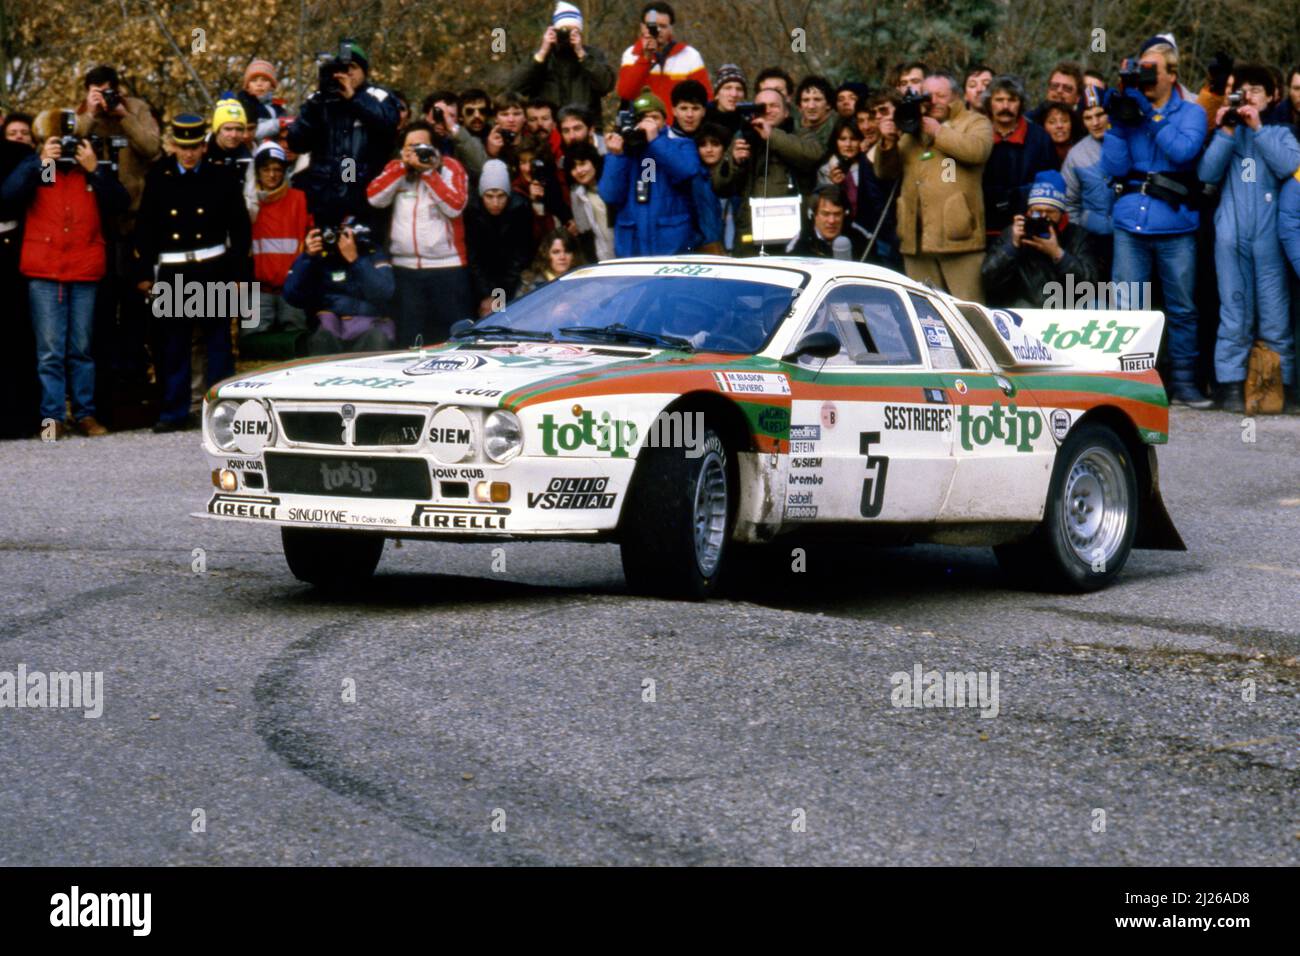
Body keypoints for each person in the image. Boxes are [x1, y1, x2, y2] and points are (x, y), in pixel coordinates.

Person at [2, 109, 129, 439]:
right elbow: (9, 196)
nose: (67, 149)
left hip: (84, 269)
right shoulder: (42, 171)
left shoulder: (89, 174)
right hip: (44, 271)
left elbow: (120, 203)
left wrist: (95, 169)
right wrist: (40, 161)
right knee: (49, 352)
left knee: (81, 349)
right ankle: (52, 418)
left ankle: (85, 414)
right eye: (61, 143)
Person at [1102, 39, 1209, 407]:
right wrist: (1117, 124)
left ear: (1172, 73)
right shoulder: (1130, 109)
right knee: (1128, 307)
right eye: (1139, 69)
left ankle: (1184, 384)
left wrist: (1150, 116)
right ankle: (1129, 385)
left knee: (1182, 307)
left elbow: (1183, 152)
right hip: (1131, 222)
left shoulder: (1191, 111)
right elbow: (1114, 168)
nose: (1144, 77)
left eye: (1152, 70)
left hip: (1175, 223)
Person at [133, 114, 250, 433]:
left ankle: (225, 414)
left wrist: (240, 275)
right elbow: (145, 227)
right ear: (173, 145)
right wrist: (144, 272)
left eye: (195, 146)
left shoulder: (221, 176)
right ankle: (174, 411)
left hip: (214, 266)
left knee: (218, 345)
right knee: (174, 345)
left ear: (203, 145)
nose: (188, 154)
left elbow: (240, 229)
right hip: (173, 270)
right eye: (183, 147)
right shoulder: (159, 175)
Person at [1197, 64, 1300, 412]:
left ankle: (1278, 387)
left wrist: (1257, 129)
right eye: (1244, 90)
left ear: (1272, 96)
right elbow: (1207, 173)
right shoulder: (1227, 133)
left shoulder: (1280, 132)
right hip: (1231, 237)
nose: (1250, 96)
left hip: (1269, 238)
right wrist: (1225, 132)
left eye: (1258, 89)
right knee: (1234, 312)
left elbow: (1289, 165)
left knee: (1275, 314)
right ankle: (1228, 387)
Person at [876, 72, 993, 301]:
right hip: (916, 242)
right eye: (929, 96)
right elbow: (885, 173)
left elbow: (976, 151)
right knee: (925, 315)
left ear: (956, 96)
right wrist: (888, 142)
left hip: (959, 240)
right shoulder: (911, 131)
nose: (935, 101)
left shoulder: (974, 122)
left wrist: (938, 131)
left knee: (969, 313)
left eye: (942, 95)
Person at [367, 121, 472, 346]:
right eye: (410, 147)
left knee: (452, 338)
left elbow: (455, 206)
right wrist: (402, 168)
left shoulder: (450, 167)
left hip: (447, 267)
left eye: (422, 146)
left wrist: (429, 172)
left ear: (435, 147)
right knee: (409, 338)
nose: (416, 152)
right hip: (406, 269)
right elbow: (374, 198)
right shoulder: (395, 168)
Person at [286, 38, 400, 225]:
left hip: (366, 198)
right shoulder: (320, 100)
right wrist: (318, 103)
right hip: (324, 198)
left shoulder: (378, 96)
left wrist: (353, 99)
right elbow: (296, 142)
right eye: (342, 68)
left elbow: (388, 124)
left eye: (353, 67)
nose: (347, 73)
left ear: (364, 70)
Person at [711, 87, 822, 256]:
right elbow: (719, 185)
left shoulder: (801, 134)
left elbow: (813, 156)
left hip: (793, 237)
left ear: (786, 112)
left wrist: (772, 135)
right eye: (762, 107)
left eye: (774, 105)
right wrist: (734, 161)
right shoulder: (742, 137)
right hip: (751, 236)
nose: (768, 110)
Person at [599, 86, 701, 256]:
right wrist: (617, 156)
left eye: (654, 117)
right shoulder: (624, 152)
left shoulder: (681, 144)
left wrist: (655, 142)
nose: (648, 123)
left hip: (671, 246)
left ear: (664, 120)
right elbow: (610, 195)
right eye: (643, 118)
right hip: (633, 247)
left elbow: (686, 171)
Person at [981, 170, 1100, 308]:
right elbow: (987, 279)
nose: (1043, 217)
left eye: (1050, 212)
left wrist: (1058, 255)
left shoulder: (1077, 236)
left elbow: (1090, 286)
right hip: (1023, 310)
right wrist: (1011, 247)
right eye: (1037, 212)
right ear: (1029, 212)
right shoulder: (1013, 233)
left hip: (1066, 309)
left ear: (1061, 213)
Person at [283, 220, 396, 354]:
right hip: (330, 328)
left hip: (368, 326)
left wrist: (356, 260)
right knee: (322, 337)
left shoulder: (371, 252)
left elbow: (384, 293)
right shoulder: (319, 256)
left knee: (378, 338)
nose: (339, 238)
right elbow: (292, 296)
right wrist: (308, 257)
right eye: (334, 234)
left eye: (345, 233)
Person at [243, 141, 311, 356]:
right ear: (257, 172)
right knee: (252, 346)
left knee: (297, 345)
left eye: (277, 170)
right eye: (266, 169)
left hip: (292, 289)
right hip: (257, 291)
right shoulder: (248, 205)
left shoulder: (299, 200)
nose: (272, 175)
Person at [509, 2, 615, 126]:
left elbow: (606, 85)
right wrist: (542, 53)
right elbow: (515, 88)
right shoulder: (541, 56)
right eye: (562, 31)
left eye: (572, 31)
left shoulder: (592, 55)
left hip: (585, 128)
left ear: (579, 32)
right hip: (548, 129)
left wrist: (582, 55)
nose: (566, 36)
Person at [981, 75, 1055, 241]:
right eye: (999, 100)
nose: (1005, 106)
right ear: (989, 103)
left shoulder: (1039, 138)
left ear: (1021, 103)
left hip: (1029, 228)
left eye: (1012, 100)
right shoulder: (978, 136)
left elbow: (1048, 183)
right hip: (986, 229)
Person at [615, 2, 711, 125]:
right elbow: (626, 93)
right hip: (642, 127)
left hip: (677, 130)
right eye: (653, 26)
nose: (658, 31)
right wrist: (645, 58)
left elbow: (706, 99)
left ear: (671, 28)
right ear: (642, 27)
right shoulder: (631, 54)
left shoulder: (689, 55)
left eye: (663, 26)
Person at [464, 160, 536, 315]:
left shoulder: (520, 208)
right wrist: (485, 294)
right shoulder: (472, 210)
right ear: (482, 195)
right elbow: (473, 257)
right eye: (489, 196)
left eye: (500, 196)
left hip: (510, 278)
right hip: (480, 278)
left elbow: (520, 256)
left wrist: (497, 296)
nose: (495, 203)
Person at [1062, 85, 1115, 276]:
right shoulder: (1076, 155)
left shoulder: (1125, 142)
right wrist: (1079, 233)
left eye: (1100, 114)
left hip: (1126, 235)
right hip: (1091, 238)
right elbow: (1069, 201)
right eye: (1088, 117)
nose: (1095, 122)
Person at [854, 91, 902, 269]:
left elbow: (948, 174)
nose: (878, 120)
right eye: (875, 115)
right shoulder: (872, 153)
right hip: (886, 234)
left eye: (884, 112)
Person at [785, 185, 871, 260]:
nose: (832, 221)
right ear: (812, 215)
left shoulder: (861, 239)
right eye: (825, 214)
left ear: (845, 214)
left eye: (837, 214)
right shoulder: (800, 243)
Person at [422, 90, 487, 180]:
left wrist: (453, 128)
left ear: (458, 119)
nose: (442, 121)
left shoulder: (462, 140)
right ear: (426, 115)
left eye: (451, 116)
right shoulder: (412, 136)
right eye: (438, 114)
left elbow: (482, 168)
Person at [565, 141, 613, 261]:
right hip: (603, 258)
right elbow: (585, 234)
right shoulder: (577, 195)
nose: (579, 171)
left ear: (593, 162)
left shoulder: (611, 185)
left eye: (582, 164)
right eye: (574, 168)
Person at [817, 116, 864, 218]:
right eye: (843, 139)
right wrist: (834, 185)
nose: (848, 144)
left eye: (854, 139)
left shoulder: (867, 165)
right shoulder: (826, 169)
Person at [517, 227, 583, 296]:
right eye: (556, 252)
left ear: (574, 255)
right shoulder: (530, 285)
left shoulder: (584, 280)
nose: (562, 257)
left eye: (567, 251)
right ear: (546, 254)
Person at [236, 58, 289, 144]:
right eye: (254, 80)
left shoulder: (278, 107)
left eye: (264, 80)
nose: (259, 84)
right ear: (247, 86)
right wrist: (277, 124)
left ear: (272, 85)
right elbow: (247, 133)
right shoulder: (242, 104)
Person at [1038, 100, 1083, 168]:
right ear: (1043, 126)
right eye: (1052, 122)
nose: (1059, 126)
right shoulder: (1037, 155)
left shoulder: (1083, 149)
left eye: (1064, 121)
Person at [795, 75, 836, 151]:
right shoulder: (791, 128)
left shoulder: (839, 128)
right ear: (800, 107)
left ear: (828, 104)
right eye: (806, 100)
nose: (811, 106)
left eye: (817, 99)